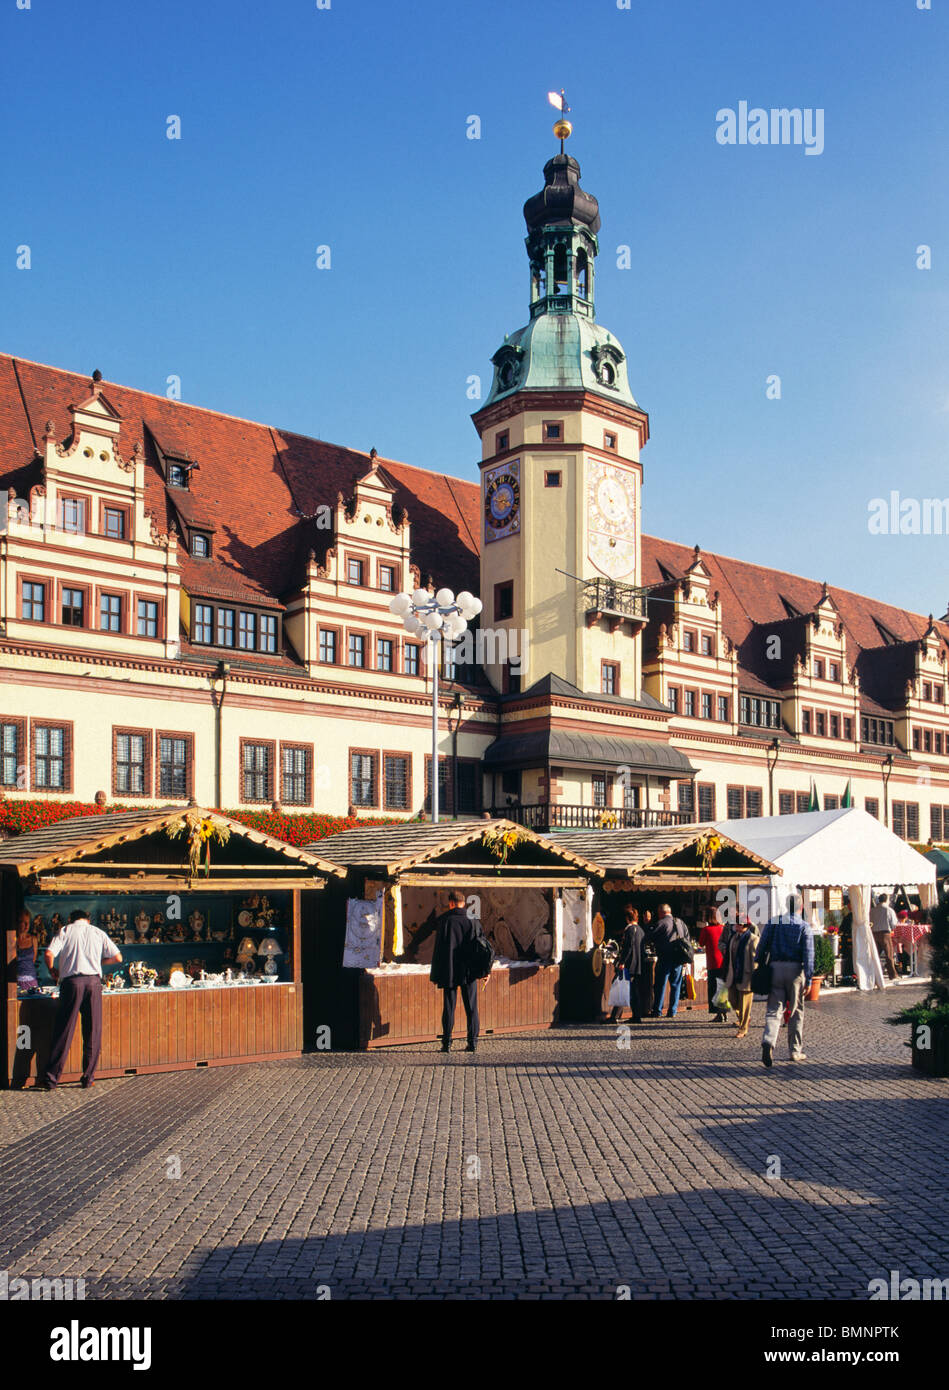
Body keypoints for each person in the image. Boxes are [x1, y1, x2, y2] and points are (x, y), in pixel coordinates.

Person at [43, 908, 122, 1089]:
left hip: (72, 983)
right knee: (92, 1031)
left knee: (65, 1030)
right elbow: (117, 957)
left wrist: (52, 970)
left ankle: (51, 1079)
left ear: (71, 919)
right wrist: (98, 962)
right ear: (88, 919)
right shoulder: (98, 932)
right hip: (94, 983)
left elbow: (48, 954)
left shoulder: (65, 930)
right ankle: (88, 1078)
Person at [756, 908, 814, 1067]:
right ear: (800, 908)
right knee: (795, 1011)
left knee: (774, 1009)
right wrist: (809, 979)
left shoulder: (774, 922)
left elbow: (761, 946)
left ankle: (768, 1041)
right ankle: (795, 1050)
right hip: (795, 970)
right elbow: (809, 954)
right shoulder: (803, 926)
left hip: (775, 968)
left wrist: (759, 962)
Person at [430, 889, 482, 1054]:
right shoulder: (473, 920)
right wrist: (484, 970)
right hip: (469, 971)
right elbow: (482, 947)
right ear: (464, 903)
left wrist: (436, 974)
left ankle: (446, 1044)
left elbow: (438, 950)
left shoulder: (444, 920)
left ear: (451, 903)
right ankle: (472, 1043)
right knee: (471, 1008)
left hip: (449, 971)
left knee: (449, 1007)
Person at [649, 902, 691, 1019]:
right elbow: (687, 939)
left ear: (661, 912)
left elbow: (650, 937)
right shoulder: (680, 922)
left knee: (660, 985)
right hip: (678, 958)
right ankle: (672, 1011)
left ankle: (657, 1010)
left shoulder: (661, 923)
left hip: (665, 957)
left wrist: (648, 924)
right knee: (676, 985)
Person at [725, 916, 759, 1038]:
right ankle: (745, 1018)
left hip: (746, 976)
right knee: (733, 1000)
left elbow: (756, 960)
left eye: (738, 924)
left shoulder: (753, 939)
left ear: (744, 926)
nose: (735, 926)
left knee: (745, 1004)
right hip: (733, 974)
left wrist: (754, 976)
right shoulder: (733, 938)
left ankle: (743, 1028)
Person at [611, 905, 645, 1023]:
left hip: (629, 964)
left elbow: (628, 948)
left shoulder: (629, 930)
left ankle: (615, 1016)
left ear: (627, 918)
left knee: (621, 989)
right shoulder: (640, 930)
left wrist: (622, 962)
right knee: (632, 991)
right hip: (637, 965)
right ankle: (635, 1015)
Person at [699, 908, 727, 1020]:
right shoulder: (723, 928)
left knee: (714, 988)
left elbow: (701, 943)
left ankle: (718, 1014)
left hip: (713, 962)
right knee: (722, 988)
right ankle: (724, 1012)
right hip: (723, 962)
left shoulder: (706, 929)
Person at [869, 893, 899, 982]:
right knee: (889, 954)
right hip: (885, 933)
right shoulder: (889, 910)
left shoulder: (873, 910)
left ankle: (874, 973)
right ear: (886, 900)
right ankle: (892, 974)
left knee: (875, 955)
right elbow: (893, 924)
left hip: (874, 934)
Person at [15, 908, 39, 991]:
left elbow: (33, 960)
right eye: (24, 922)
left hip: (32, 981)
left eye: (28, 923)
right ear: (18, 923)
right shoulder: (12, 940)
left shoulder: (33, 939)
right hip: (15, 982)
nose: (27, 925)